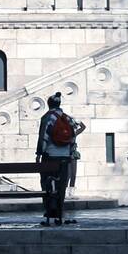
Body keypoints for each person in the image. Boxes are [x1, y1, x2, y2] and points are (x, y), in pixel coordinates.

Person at [36, 93, 85, 225]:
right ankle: (59, 211)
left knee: (46, 182)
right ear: (59, 104)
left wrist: (39, 153)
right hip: (64, 157)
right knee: (61, 185)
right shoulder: (67, 118)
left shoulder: (47, 117)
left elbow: (44, 136)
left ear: (48, 104)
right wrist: (69, 148)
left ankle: (49, 210)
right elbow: (75, 133)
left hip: (50, 156)